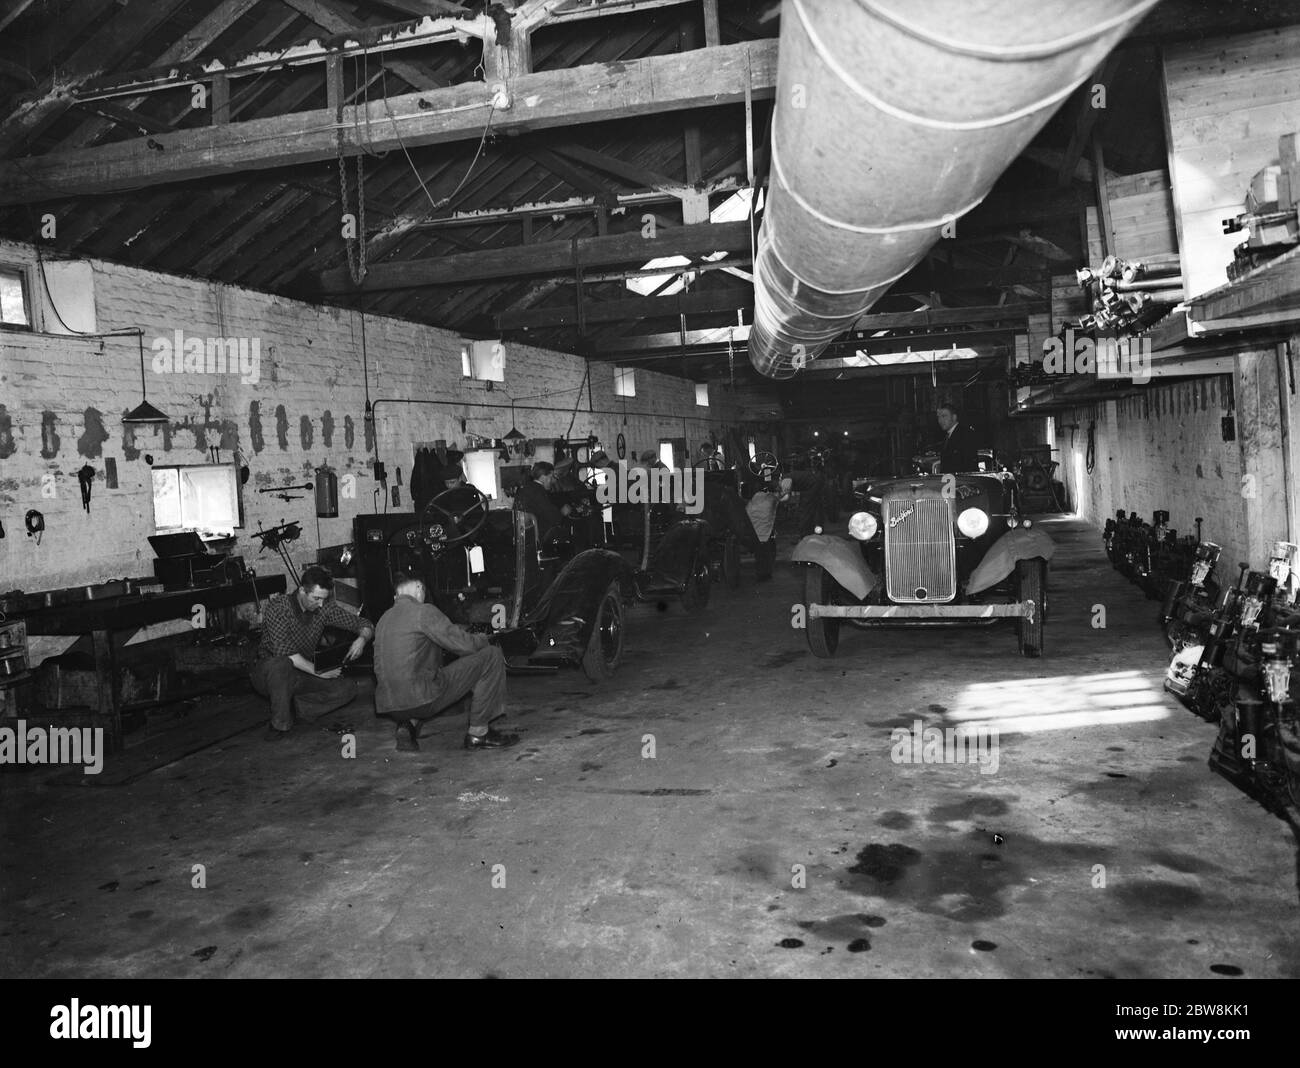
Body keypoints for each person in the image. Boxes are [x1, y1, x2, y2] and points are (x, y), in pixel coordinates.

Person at [373, 571, 517, 752]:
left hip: (390, 705)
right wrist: (484, 638)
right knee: (491, 655)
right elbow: (465, 645)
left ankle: (407, 725)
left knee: (417, 676)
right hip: (421, 700)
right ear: (418, 588)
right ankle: (479, 733)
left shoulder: (383, 619)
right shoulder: (423, 611)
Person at [250, 565, 374, 740]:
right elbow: (285, 653)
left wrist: (362, 639)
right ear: (302, 591)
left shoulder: (323, 608)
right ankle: (280, 724)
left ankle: (298, 708)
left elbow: (365, 624)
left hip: (302, 673)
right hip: (269, 673)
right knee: (281, 664)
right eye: (316, 598)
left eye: (324, 599)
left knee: (348, 688)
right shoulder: (277, 607)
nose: (321, 604)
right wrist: (319, 672)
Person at [513, 460, 570, 546]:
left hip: (522, 536)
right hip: (537, 538)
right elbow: (552, 517)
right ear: (543, 477)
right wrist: (562, 512)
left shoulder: (526, 488)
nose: (552, 481)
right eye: (550, 477)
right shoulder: (538, 491)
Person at [936, 404, 981, 474]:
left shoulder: (965, 434)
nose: (940, 420)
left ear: (954, 417)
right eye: (938, 417)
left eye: (944, 416)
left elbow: (969, 465)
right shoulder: (947, 436)